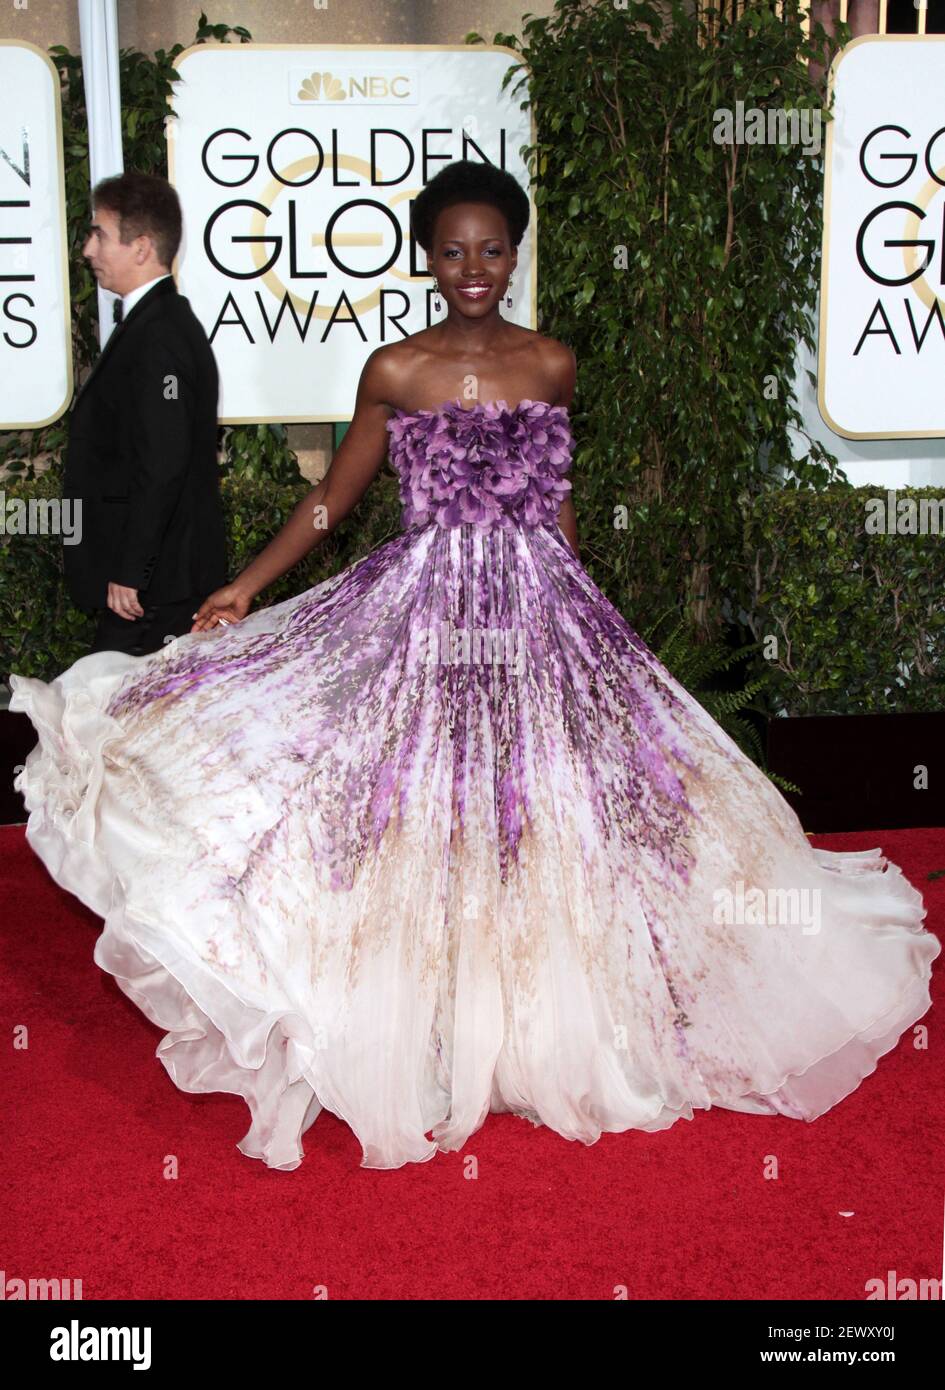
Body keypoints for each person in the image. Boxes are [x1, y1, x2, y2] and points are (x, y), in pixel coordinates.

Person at [10, 159, 940, 1172]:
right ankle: (441, 1011)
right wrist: (245, 583)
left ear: (514, 253)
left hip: (541, 614)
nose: (473, 269)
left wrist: (587, 606)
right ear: (427, 257)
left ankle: (541, 1014)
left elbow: (557, 495)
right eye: (452, 251)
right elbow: (335, 504)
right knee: (420, 807)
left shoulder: (551, 364)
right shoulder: (396, 369)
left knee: (537, 809)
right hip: (426, 615)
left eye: (491, 249)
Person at [65, 172, 226, 656]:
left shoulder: (160, 336)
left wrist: (132, 570)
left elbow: (164, 461)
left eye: (99, 235)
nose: (88, 250)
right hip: (153, 584)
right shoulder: (154, 325)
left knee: (121, 721)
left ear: (140, 247)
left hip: (155, 590)